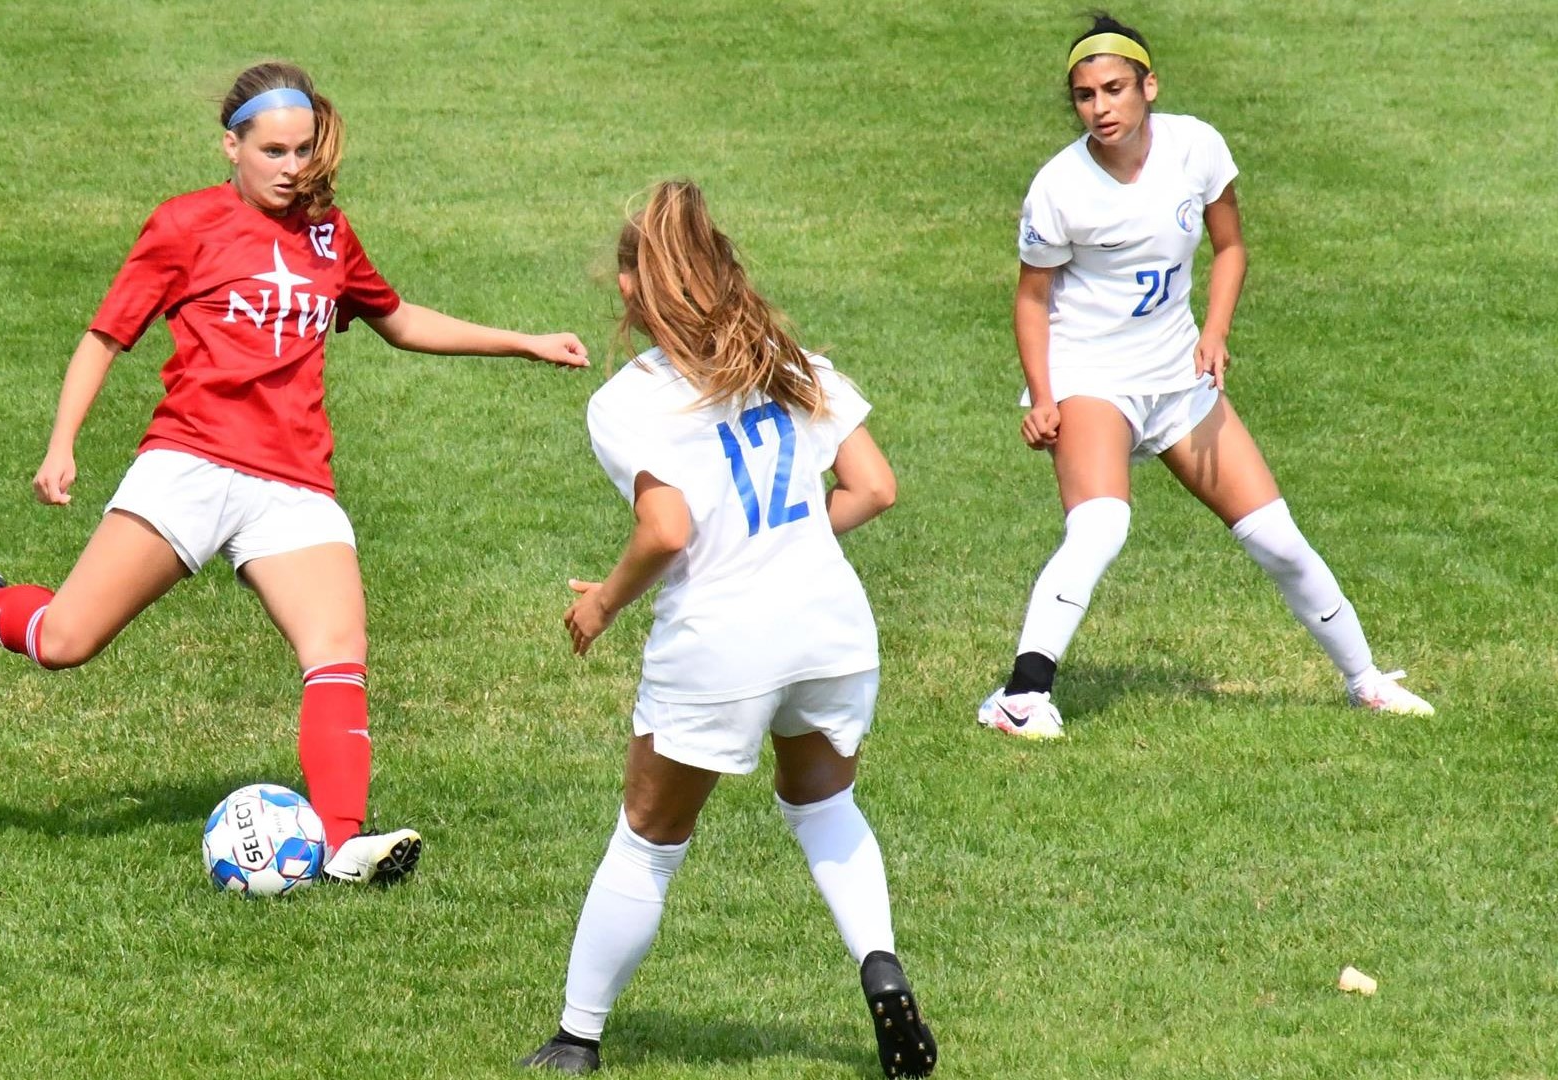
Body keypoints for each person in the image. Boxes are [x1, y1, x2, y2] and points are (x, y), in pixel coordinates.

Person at [0, 61, 588, 883]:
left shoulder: (329, 234)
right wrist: (61, 442)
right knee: (65, 642)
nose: (291, 167)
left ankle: (340, 843)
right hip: (191, 464)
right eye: (273, 151)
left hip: (295, 484)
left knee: (337, 649)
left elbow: (396, 319)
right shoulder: (184, 225)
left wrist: (523, 342)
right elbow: (105, 338)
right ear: (231, 146)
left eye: (303, 150)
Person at [520, 182, 935, 1078]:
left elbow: (666, 531)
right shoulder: (792, 362)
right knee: (824, 805)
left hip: (722, 643)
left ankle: (576, 1038)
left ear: (631, 287)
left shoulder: (629, 399)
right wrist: (782, 545)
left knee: (648, 839)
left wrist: (601, 605)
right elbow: (875, 488)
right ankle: (880, 964)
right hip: (830, 625)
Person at [978, 15, 1434, 740]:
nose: (1101, 107)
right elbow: (1032, 299)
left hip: (1179, 377)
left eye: (1115, 89)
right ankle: (1021, 698)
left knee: (1276, 537)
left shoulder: (1197, 148)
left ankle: (1367, 683)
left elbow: (1231, 247)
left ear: (1149, 87)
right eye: (1085, 95)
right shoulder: (1059, 187)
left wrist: (1214, 332)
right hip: (1093, 378)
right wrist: (1042, 394)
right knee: (1102, 524)